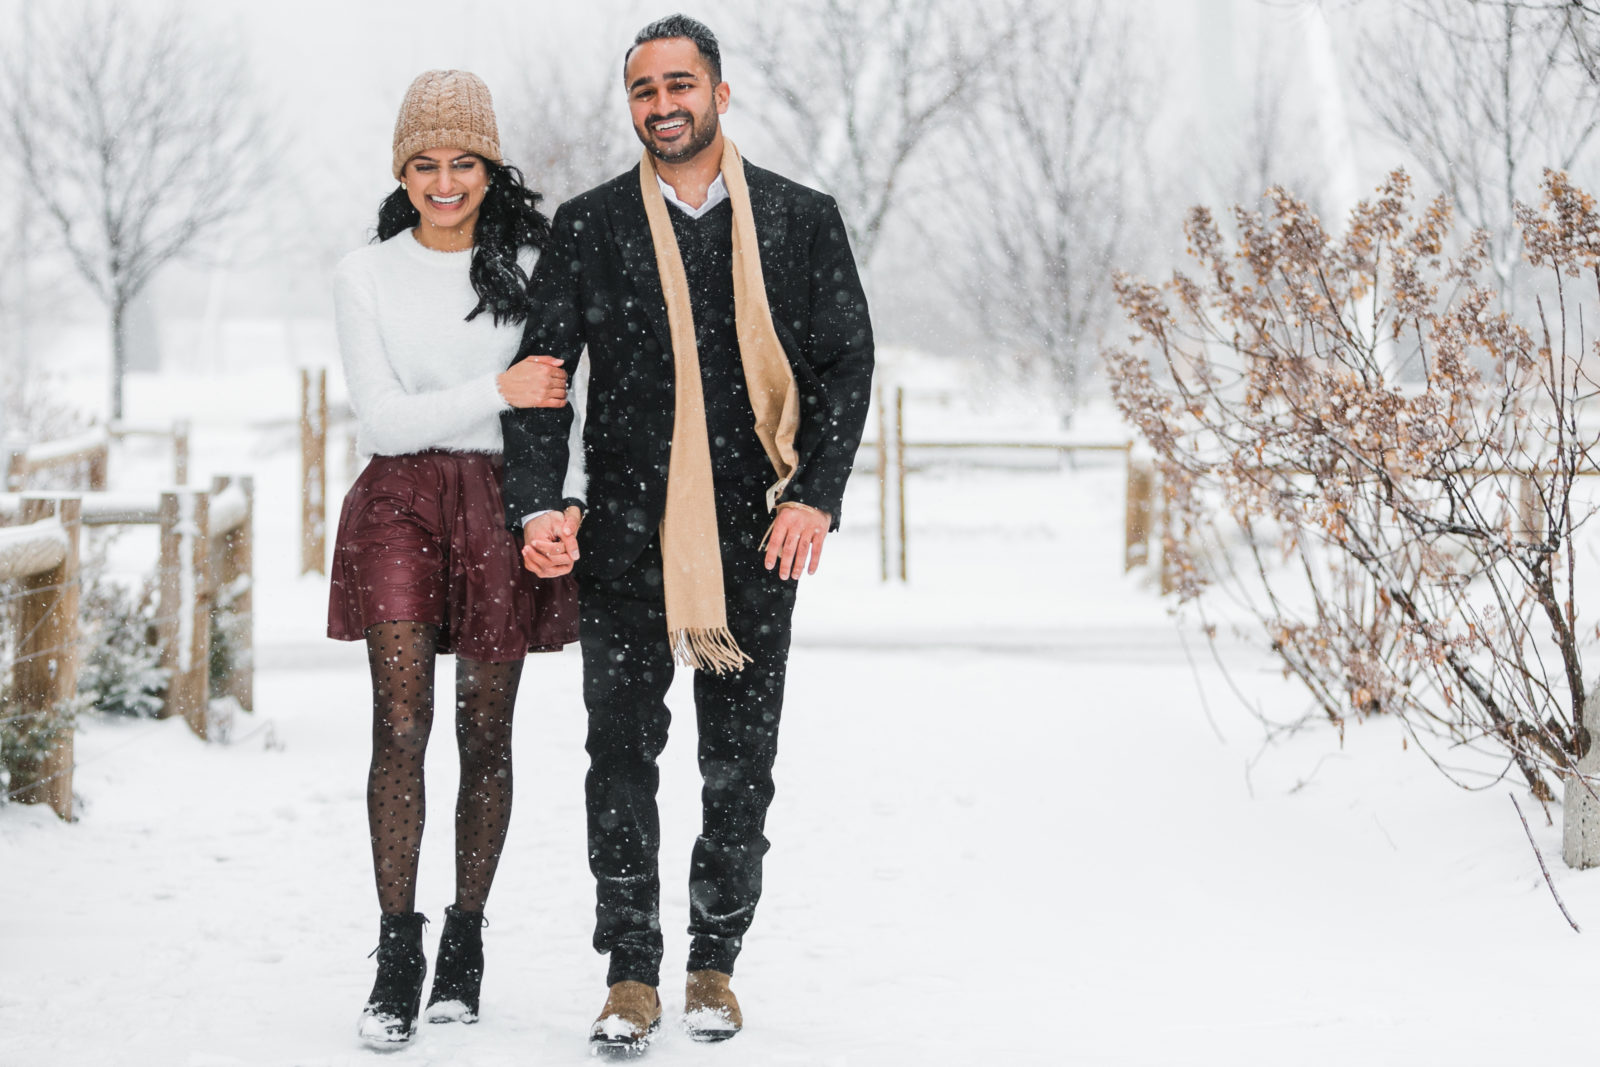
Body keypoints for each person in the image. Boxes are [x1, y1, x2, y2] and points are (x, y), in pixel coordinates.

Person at [502, 14, 874, 1055]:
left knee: (739, 764)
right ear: (630, 105)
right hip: (621, 536)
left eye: (679, 84)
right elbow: (541, 379)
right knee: (617, 758)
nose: (662, 104)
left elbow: (847, 361)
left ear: (719, 91)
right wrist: (539, 501)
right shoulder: (590, 225)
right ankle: (628, 971)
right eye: (642, 90)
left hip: (756, 536)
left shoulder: (802, 221)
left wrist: (815, 492)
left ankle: (713, 962)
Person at [326, 69, 582, 1049]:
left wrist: (567, 499)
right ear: (404, 169)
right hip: (398, 499)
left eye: (462, 161)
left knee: (486, 727)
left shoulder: (531, 261)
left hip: (505, 495)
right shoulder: (367, 273)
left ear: (488, 165)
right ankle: (398, 948)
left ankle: (465, 942)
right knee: (400, 720)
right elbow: (383, 418)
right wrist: (499, 384)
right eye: (425, 163)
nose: (444, 180)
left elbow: (564, 400)